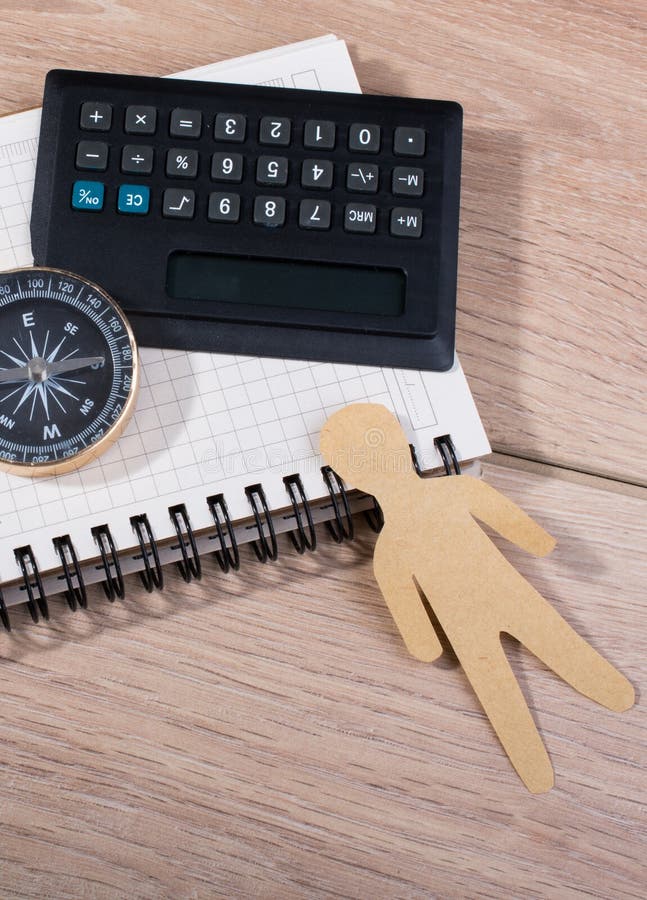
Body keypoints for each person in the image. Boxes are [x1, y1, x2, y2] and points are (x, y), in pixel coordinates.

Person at [320, 403, 634, 792]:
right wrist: (540, 542)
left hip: (488, 608)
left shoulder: (397, 541)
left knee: (543, 658)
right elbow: (531, 539)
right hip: (482, 613)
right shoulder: (441, 504)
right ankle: (600, 704)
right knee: (536, 662)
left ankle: (600, 702)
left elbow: (421, 642)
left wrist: (425, 644)